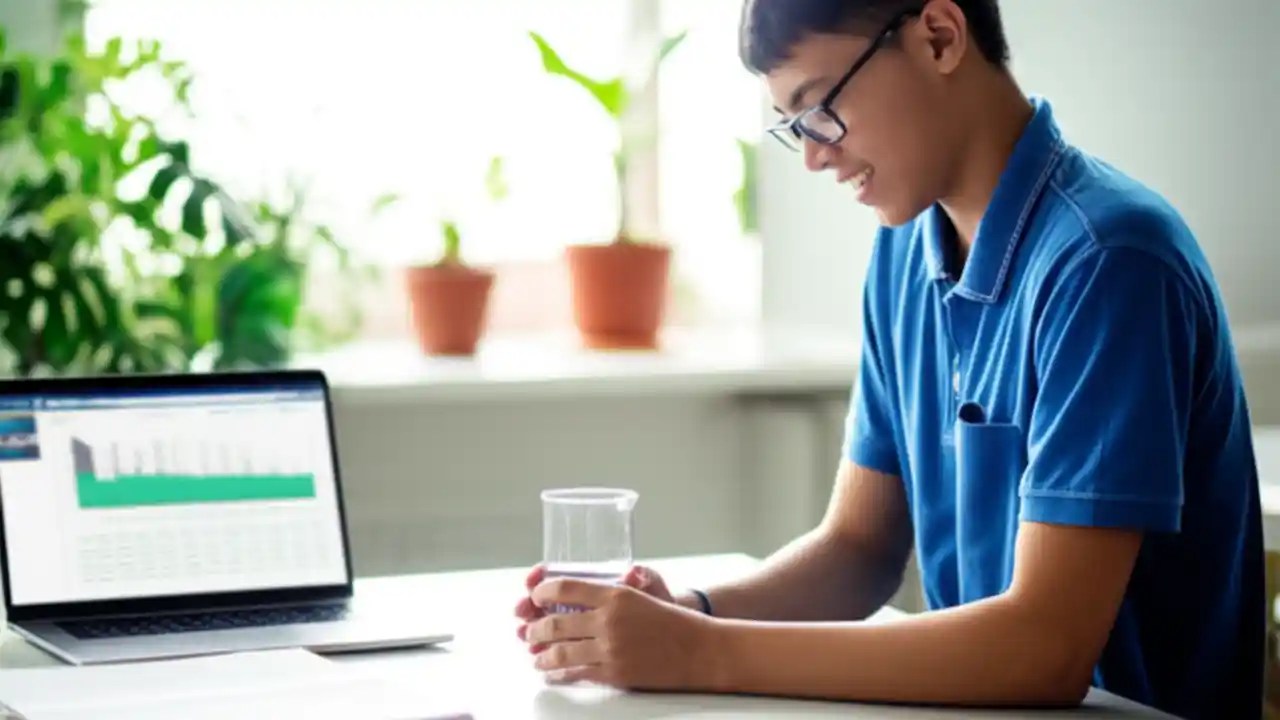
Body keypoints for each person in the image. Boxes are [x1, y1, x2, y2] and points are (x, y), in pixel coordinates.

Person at [514, 1, 1264, 717]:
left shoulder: (1110, 261)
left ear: (939, 36)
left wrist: (699, 651)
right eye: (793, 127)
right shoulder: (906, 250)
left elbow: (1045, 649)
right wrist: (688, 613)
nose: (812, 155)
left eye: (820, 106)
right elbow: (858, 550)